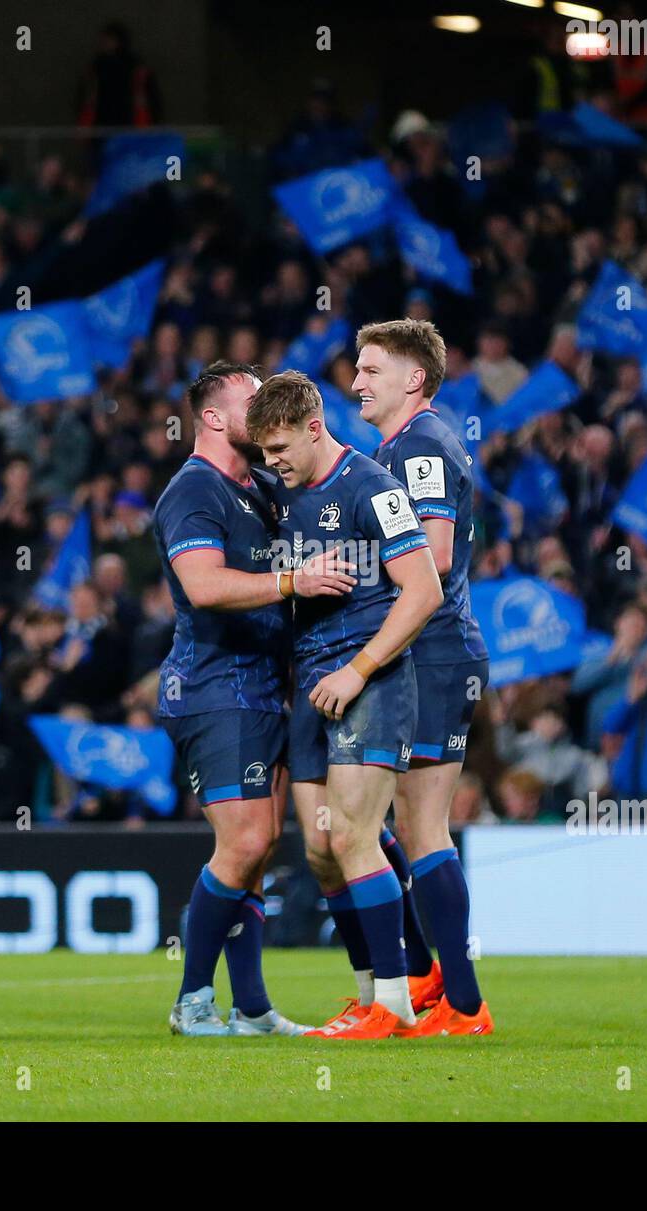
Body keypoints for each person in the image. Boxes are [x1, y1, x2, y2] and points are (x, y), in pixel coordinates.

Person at [154, 363, 352, 1036]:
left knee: (260, 850)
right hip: (215, 685)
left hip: (266, 688)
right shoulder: (193, 491)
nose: (267, 403)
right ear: (213, 417)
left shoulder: (263, 486)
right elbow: (206, 586)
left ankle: (253, 1006)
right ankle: (190, 1001)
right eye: (251, 395)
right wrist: (298, 579)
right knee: (244, 841)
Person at [247, 371, 444, 1038]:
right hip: (311, 686)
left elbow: (422, 592)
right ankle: (368, 994)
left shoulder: (373, 489)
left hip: (372, 680)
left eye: (278, 447)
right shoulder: (284, 493)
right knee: (325, 851)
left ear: (313, 426)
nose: (272, 462)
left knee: (357, 837)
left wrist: (359, 671)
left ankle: (395, 1001)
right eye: (263, 452)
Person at [359, 318, 493, 1036]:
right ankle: (432, 978)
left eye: (371, 369)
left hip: (435, 652)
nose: (355, 381)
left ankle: (466, 1004)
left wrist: (352, 578)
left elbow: (434, 556)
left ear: (414, 379)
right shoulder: (402, 445)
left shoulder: (420, 444)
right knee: (397, 824)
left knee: (422, 825)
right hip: (426, 652)